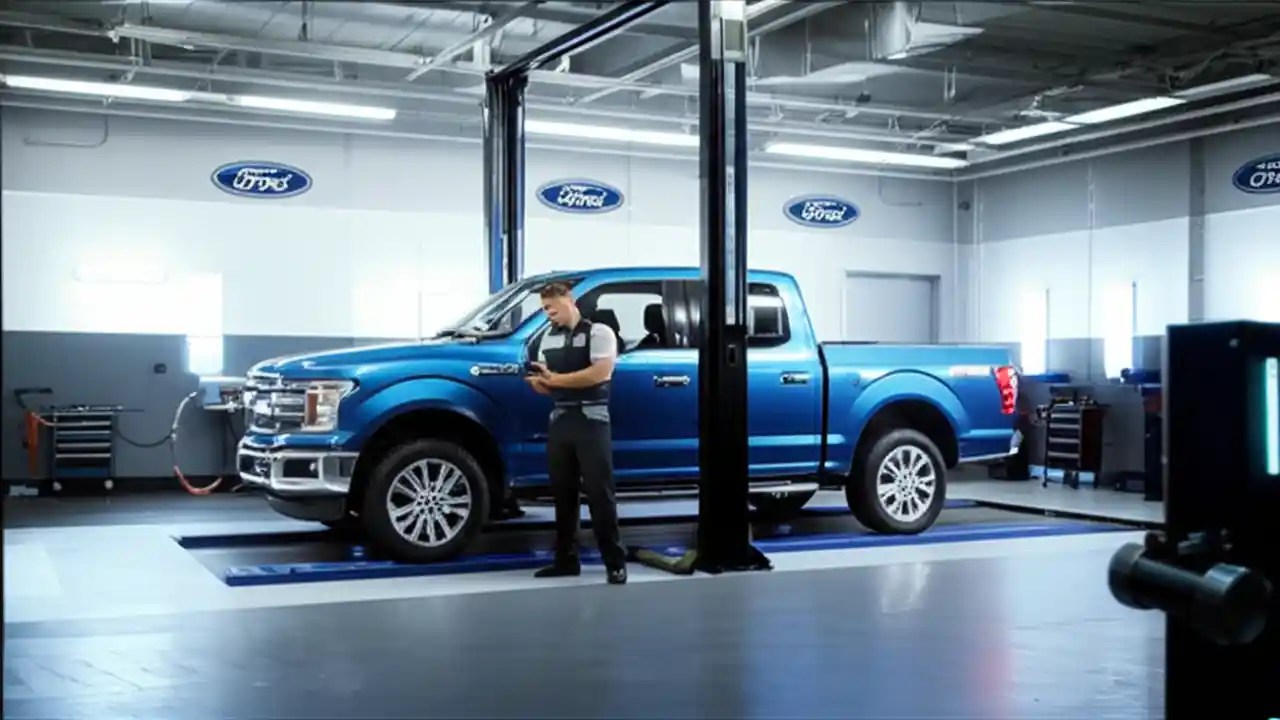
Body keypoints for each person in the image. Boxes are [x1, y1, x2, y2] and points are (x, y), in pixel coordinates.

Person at [524, 282, 628, 585]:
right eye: (544, 309)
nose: (548, 314)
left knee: (600, 493)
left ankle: (615, 563)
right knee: (563, 495)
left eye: (551, 307)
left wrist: (555, 380)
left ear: (569, 301)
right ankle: (565, 561)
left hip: (591, 419)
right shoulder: (547, 338)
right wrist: (542, 384)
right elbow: (550, 382)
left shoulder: (599, 333)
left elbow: (599, 374)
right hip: (561, 420)